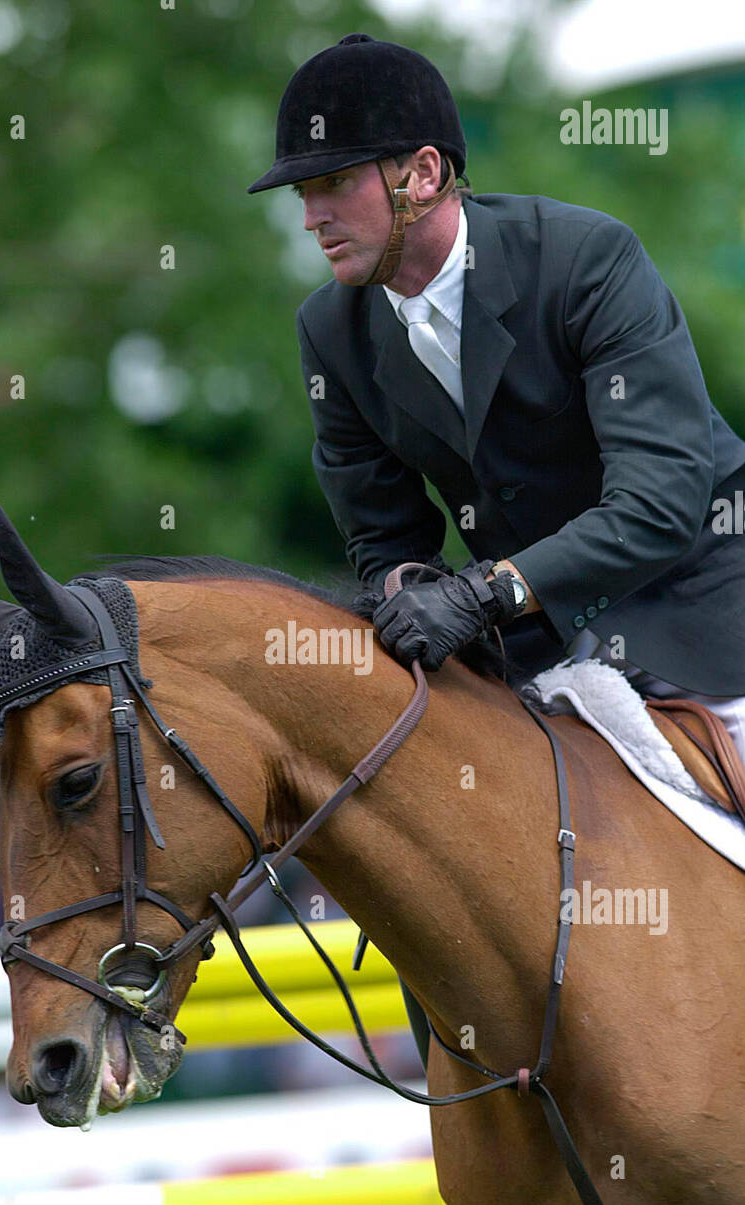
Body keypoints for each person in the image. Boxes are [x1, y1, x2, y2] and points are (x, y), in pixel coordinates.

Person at [247, 32, 745, 758]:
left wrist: (484, 594)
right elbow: (384, 537)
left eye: (334, 183)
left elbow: (658, 505)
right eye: (303, 192)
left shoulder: (586, 261)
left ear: (421, 174)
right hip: (541, 648)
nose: (310, 218)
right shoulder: (330, 330)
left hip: (704, 608)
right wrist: (408, 592)